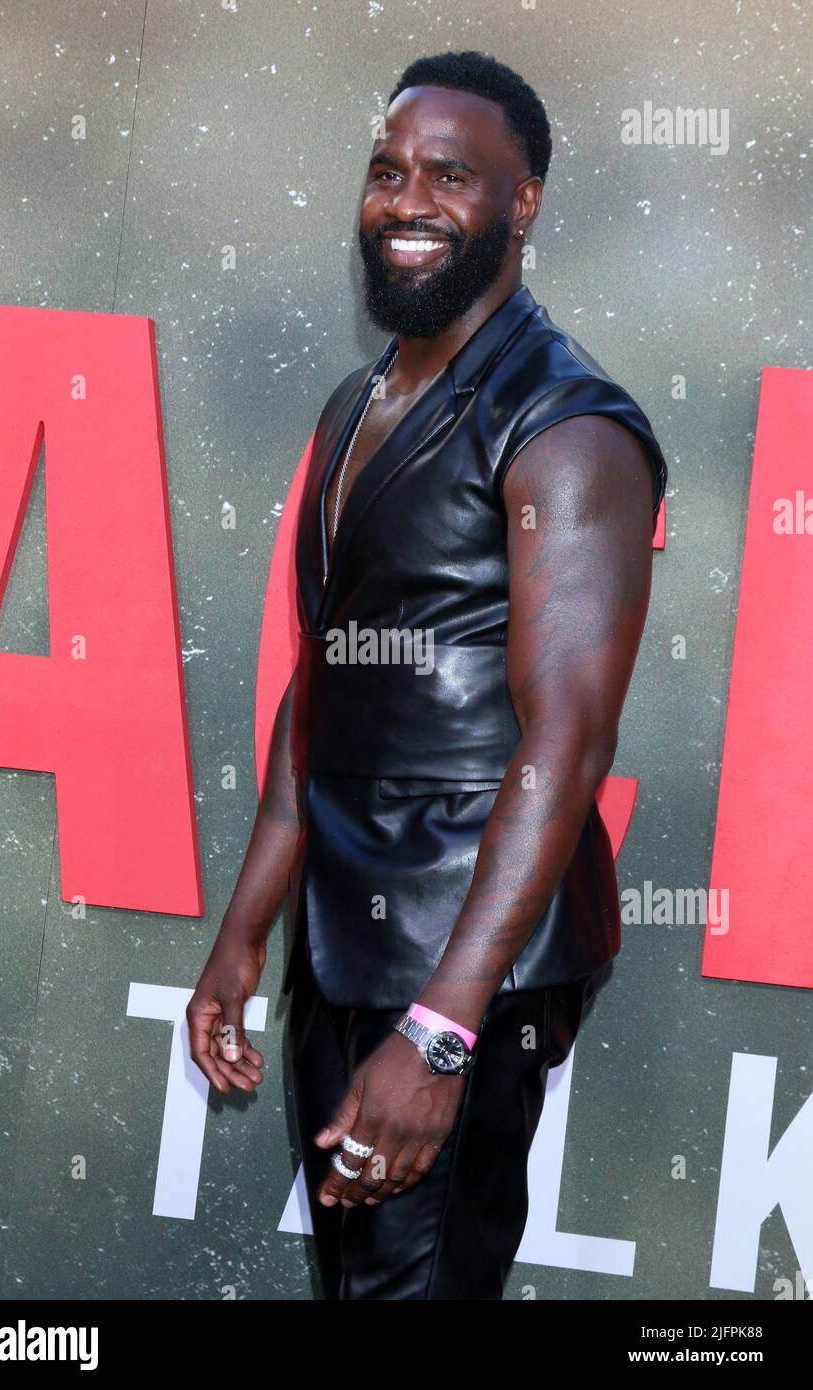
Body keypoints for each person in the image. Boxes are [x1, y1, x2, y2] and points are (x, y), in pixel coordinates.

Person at [188, 49, 668, 1300]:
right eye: (387, 169)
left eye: (450, 175)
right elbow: (324, 687)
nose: (407, 201)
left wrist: (443, 1031)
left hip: (467, 963)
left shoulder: (566, 432)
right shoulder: (358, 405)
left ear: (521, 204)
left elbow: (562, 745)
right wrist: (242, 939)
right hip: (347, 944)